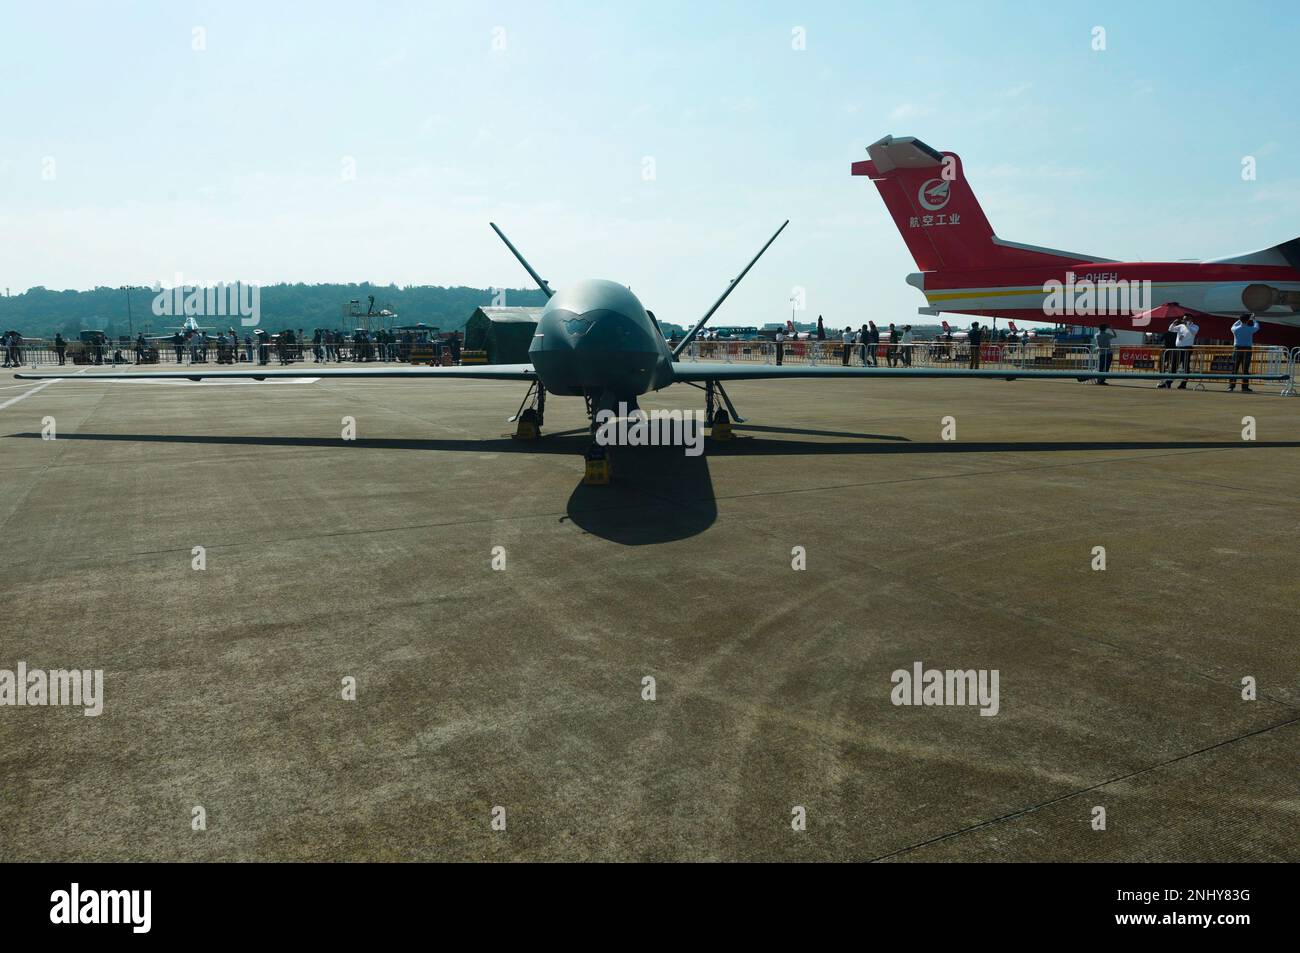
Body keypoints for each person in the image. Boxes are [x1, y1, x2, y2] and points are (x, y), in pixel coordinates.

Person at [1228, 313, 1260, 392]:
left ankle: (1231, 386)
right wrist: (1253, 319)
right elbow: (1257, 326)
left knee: (1234, 369)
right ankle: (1245, 387)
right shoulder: (1250, 329)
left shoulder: (1235, 329)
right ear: (1247, 320)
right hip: (1247, 350)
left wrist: (1240, 319)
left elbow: (1233, 325)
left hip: (1237, 349)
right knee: (1245, 369)